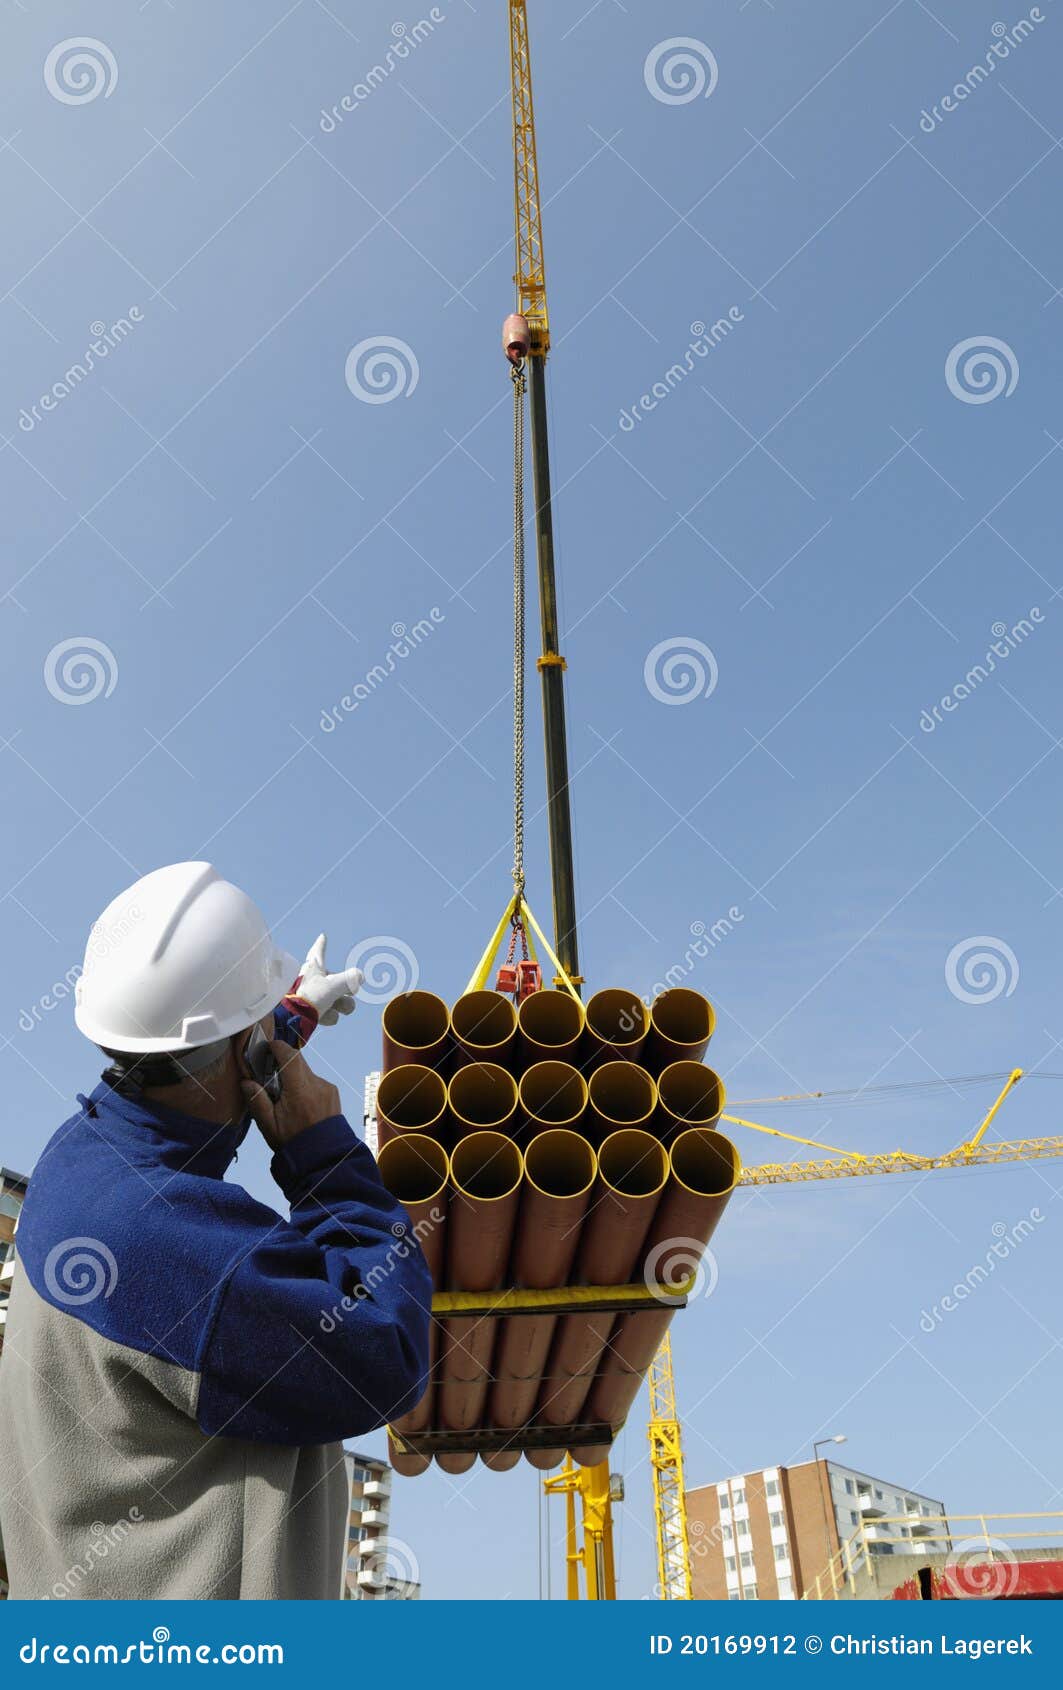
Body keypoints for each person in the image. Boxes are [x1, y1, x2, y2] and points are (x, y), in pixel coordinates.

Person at [0, 862, 431, 1600]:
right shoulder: (180, 1249)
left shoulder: (82, 1160)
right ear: (243, 1052)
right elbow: (388, 1353)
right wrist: (324, 1157)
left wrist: (286, 1019)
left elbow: (186, 1087)